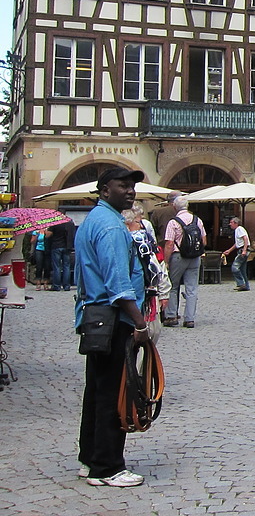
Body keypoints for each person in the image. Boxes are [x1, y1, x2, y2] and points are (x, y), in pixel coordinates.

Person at [74, 167, 151, 487]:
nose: (131, 191)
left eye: (132, 186)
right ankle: (107, 468)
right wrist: (140, 322)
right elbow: (118, 284)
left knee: (97, 389)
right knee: (114, 392)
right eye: (123, 186)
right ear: (105, 190)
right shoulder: (110, 227)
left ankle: (90, 458)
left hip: (95, 316)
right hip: (114, 318)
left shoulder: (93, 220)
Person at [163, 191, 206, 328]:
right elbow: (204, 241)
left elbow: (169, 243)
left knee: (173, 286)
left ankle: (171, 316)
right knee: (192, 288)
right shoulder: (197, 220)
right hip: (194, 257)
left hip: (178, 256)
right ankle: (189, 319)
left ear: (174, 207)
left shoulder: (173, 222)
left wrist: (166, 261)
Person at [223, 216, 251, 292]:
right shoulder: (238, 230)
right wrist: (229, 250)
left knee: (234, 268)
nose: (230, 224)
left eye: (231, 222)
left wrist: (244, 250)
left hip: (242, 250)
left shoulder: (239, 229)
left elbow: (245, 238)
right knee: (242, 269)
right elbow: (237, 243)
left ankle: (241, 284)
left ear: (236, 223)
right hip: (242, 249)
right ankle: (246, 286)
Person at [48, 218, 76, 292]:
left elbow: (48, 235)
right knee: (66, 266)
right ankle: (66, 286)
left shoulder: (55, 223)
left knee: (57, 267)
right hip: (67, 246)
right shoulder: (70, 223)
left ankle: (56, 286)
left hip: (56, 246)